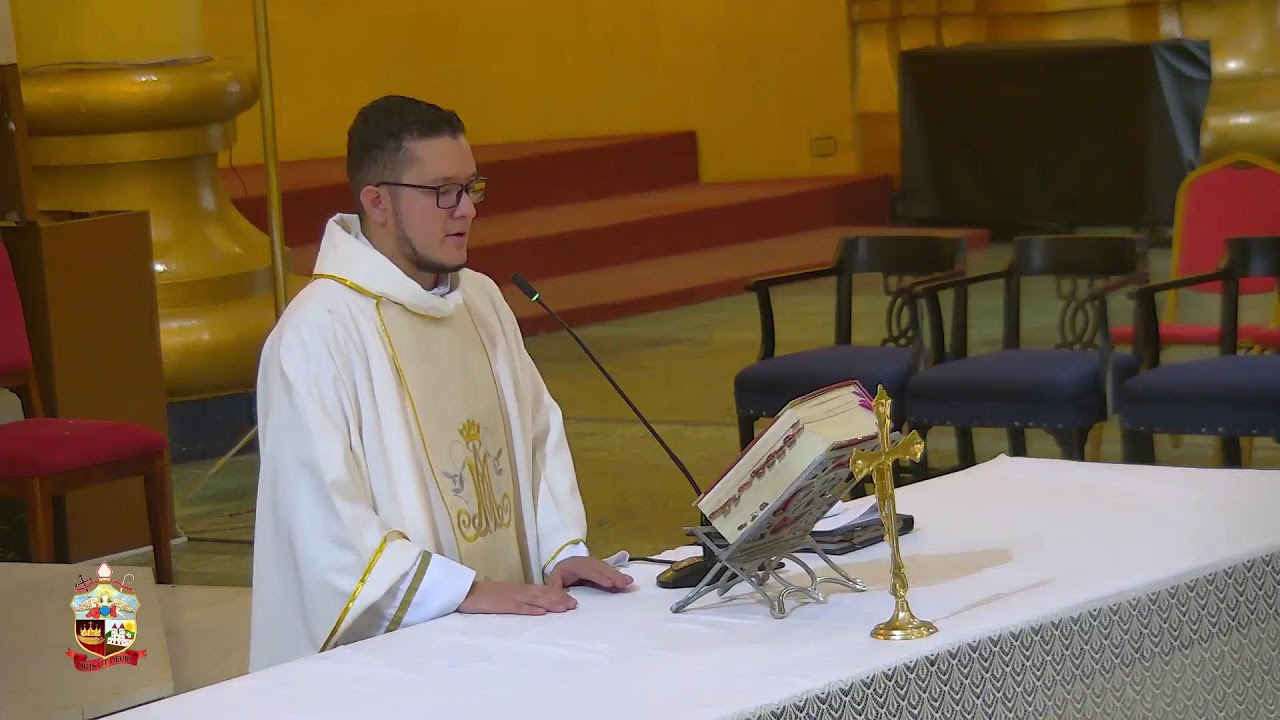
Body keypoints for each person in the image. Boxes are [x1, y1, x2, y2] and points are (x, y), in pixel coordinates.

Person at [249, 95, 632, 672]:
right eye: (442, 192)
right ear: (377, 201)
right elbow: (322, 523)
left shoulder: (479, 300)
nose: (466, 210)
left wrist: (562, 550)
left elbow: (536, 439)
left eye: (472, 189)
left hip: (515, 640)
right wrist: (461, 591)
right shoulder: (317, 333)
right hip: (392, 670)